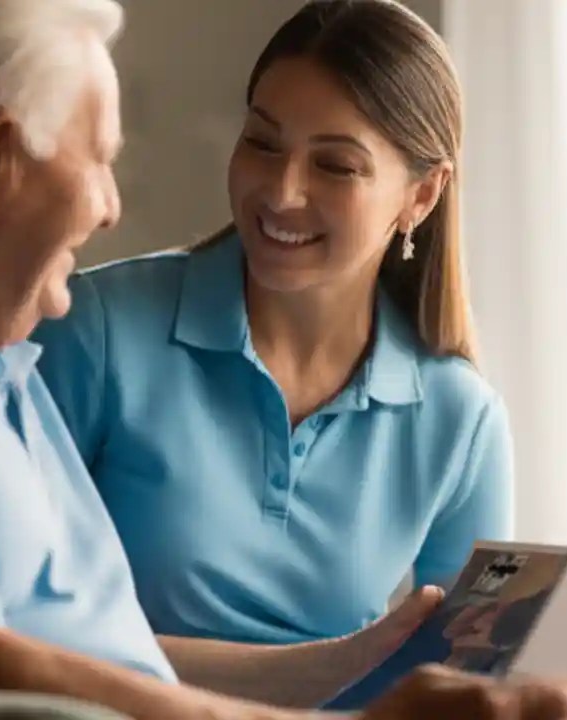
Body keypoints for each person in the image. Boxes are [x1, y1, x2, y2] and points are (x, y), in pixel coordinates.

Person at [0, 1, 567, 719]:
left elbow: (107, 654)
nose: (113, 207)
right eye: (100, 161)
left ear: (420, 195)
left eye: (336, 166)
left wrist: (374, 668)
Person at [32, 0, 514, 683]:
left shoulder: (462, 420)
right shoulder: (98, 330)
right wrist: (338, 664)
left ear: (422, 196)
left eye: (336, 166)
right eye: (262, 142)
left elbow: (464, 683)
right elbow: (17, 633)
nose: (282, 191)